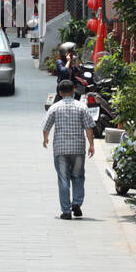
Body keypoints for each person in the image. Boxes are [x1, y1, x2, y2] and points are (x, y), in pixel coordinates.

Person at [42, 78, 95, 219]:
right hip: (78, 149)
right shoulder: (81, 107)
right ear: (74, 91)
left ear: (59, 92)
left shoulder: (54, 107)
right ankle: (76, 203)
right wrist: (91, 145)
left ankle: (66, 211)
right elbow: (89, 127)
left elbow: (46, 125)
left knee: (63, 179)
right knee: (78, 177)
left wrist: (45, 138)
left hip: (60, 149)